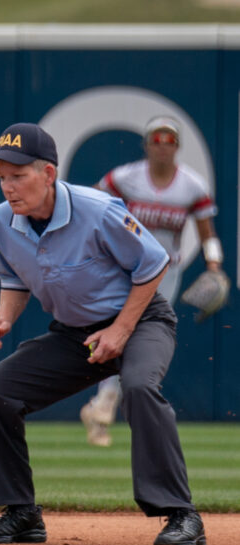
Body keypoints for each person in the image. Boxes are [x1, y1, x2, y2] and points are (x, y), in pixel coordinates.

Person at [0, 122, 206, 545]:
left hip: (141, 321)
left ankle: (181, 515)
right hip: (74, 335)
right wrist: (2, 319)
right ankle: (21, 513)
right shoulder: (2, 222)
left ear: (48, 174)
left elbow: (152, 265)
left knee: (137, 387)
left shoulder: (98, 210)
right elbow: (13, 280)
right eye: (2, 176)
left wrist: (121, 328)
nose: (8, 186)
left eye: (18, 175)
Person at [80, 115, 226, 447]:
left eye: (169, 141)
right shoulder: (126, 177)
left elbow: (207, 234)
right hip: (125, 268)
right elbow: (89, 204)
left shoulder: (192, 185)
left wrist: (214, 266)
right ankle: (104, 406)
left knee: (137, 336)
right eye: (156, 140)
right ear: (146, 145)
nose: (162, 147)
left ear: (178, 146)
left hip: (166, 272)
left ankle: (103, 406)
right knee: (125, 333)